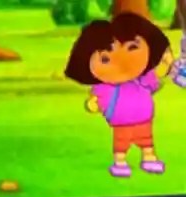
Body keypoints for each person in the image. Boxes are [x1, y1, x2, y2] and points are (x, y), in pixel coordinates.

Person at [65, 13, 172, 177]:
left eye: (132, 48)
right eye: (105, 59)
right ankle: (120, 162)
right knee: (121, 143)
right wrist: (94, 103)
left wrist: (166, 62)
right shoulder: (105, 87)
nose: (123, 62)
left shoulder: (143, 77)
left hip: (144, 118)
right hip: (121, 122)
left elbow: (155, 83)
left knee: (146, 140)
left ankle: (149, 158)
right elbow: (97, 99)